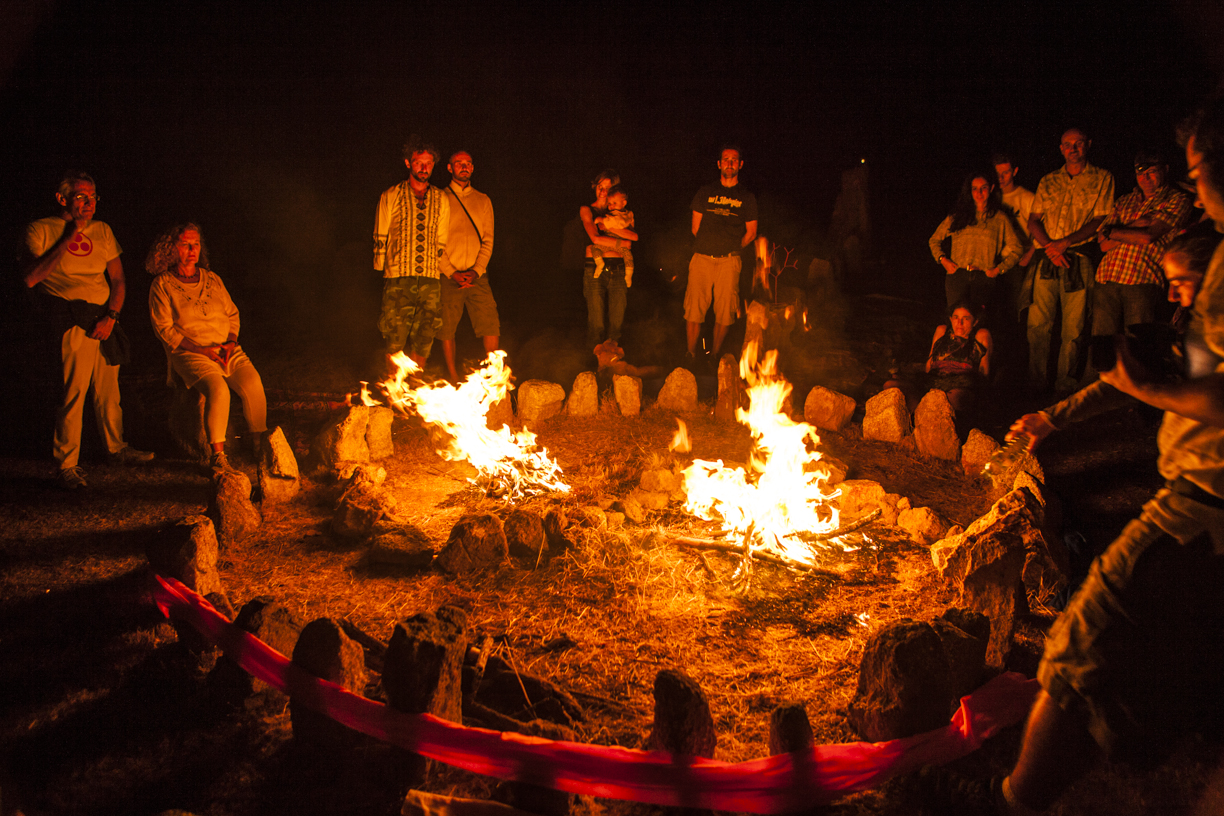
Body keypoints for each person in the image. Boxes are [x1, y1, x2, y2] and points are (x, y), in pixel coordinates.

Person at [927, 100, 1224, 816]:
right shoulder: (1212, 268)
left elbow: (1177, 386)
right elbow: (1147, 375)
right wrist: (1058, 413)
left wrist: (1150, 383)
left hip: (1202, 500)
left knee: (1076, 644)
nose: (1195, 186)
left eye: (1197, 170)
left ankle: (1012, 801)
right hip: (1199, 493)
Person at [22, 171, 154, 490]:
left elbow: (118, 279)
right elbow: (31, 278)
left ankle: (117, 448)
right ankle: (67, 463)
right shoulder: (40, 229)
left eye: (93, 196)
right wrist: (69, 235)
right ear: (62, 198)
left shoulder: (103, 230)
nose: (89, 203)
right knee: (74, 392)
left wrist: (112, 316)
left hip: (103, 318)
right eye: (81, 196)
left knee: (109, 391)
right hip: (69, 316)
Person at [147, 223, 268, 472]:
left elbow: (232, 314)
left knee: (253, 383)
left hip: (226, 349)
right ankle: (218, 456)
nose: (192, 250)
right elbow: (164, 329)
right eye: (185, 244)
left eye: (196, 244)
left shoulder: (212, 278)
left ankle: (259, 443)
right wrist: (202, 351)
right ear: (171, 249)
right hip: (191, 353)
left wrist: (231, 343)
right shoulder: (163, 285)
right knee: (218, 389)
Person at [1026, 128, 1116, 394]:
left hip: (1078, 257)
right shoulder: (1048, 181)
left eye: (1078, 144)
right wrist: (1051, 247)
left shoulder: (1102, 178)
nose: (1073, 149)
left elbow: (1101, 218)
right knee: (1037, 324)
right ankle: (1036, 383)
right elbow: (1034, 220)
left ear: (1088, 145)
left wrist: (1065, 243)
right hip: (1048, 259)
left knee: (1074, 328)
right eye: (1067, 144)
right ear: (1061, 148)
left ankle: (1065, 385)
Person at [1090, 149, 1193, 349]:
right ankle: (1103, 379)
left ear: (1165, 170)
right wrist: (1138, 223)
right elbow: (1103, 243)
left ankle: (1139, 380)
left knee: (1137, 344)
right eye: (1140, 173)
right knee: (1102, 343)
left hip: (1143, 279)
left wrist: (1116, 231)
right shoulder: (1124, 200)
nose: (1145, 177)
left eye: (1151, 171)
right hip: (1107, 278)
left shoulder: (1177, 200)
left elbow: (1148, 237)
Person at [374, 139, 450, 370]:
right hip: (398, 277)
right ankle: (393, 389)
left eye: (429, 163)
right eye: (419, 163)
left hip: (430, 277)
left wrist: (434, 266)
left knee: (426, 333)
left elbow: (442, 238)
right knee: (395, 334)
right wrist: (381, 267)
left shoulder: (441, 199)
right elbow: (380, 232)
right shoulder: (391, 195)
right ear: (409, 163)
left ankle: (416, 389)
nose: (424, 168)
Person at [686, 145, 758, 368]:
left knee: (725, 312)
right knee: (693, 309)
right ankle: (690, 355)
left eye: (734, 159)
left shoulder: (746, 197)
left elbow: (751, 232)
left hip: (729, 261)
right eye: (725, 159)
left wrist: (733, 248)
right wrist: (710, 245)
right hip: (702, 259)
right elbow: (695, 228)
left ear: (740, 164)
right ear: (719, 164)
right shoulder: (705, 192)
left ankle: (714, 356)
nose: (729, 163)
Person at [438, 150, 498, 383]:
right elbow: (434, 241)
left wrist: (476, 270)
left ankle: (493, 375)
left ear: (472, 168)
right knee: (446, 327)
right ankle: (452, 375)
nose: (464, 167)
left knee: (490, 321)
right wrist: (452, 272)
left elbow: (488, 238)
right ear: (450, 168)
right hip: (448, 274)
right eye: (459, 163)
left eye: (468, 164)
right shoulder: (440, 198)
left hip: (477, 275)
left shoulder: (483, 200)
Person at [928, 172, 1022, 312]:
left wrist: (998, 269)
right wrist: (943, 260)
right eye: (975, 189)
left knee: (979, 321)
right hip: (958, 275)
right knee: (956, 319)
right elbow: (934, 240)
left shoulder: (999, 218)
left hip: (983, 278)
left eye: (983, 188)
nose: (979, 193)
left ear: (991, 188)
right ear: (970, 191)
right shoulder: (957, 216)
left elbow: (1017, 248)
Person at [884, 300, 993, 418]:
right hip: (934, 381)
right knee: (891, 385)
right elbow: (930, 363)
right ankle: (918, 417)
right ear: (951, 319)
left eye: (966, 318)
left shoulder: (981, 335)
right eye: (956, 317)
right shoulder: (942, 331)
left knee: (955, 398)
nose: (959, 323)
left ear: (975, 321)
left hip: (960, 385)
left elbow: (984, 371)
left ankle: (940, 421)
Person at [580, 169, 636, 349]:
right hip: (595, 268)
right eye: (600, 187)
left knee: (617, 321)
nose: (603, 192)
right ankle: (592, 366)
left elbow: (633, 238)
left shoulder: (624, 213)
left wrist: (608, 226)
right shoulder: (588, 210)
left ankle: (612, 362)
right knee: (596, 321)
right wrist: (622, 242)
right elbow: (595, 239)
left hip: (619, 267)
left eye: (607, 187)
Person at [590, 185, 636, 287]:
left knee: (628, 257)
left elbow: (618, 223)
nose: (611, 206)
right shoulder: (612, 213)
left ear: (624, 203)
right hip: (609, 242)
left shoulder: (625, 214)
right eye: (609, 203)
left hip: (621, 244)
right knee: (595, 248)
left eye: (614, 203)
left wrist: (602, 220)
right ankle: (599, 263)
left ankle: (628, 276)